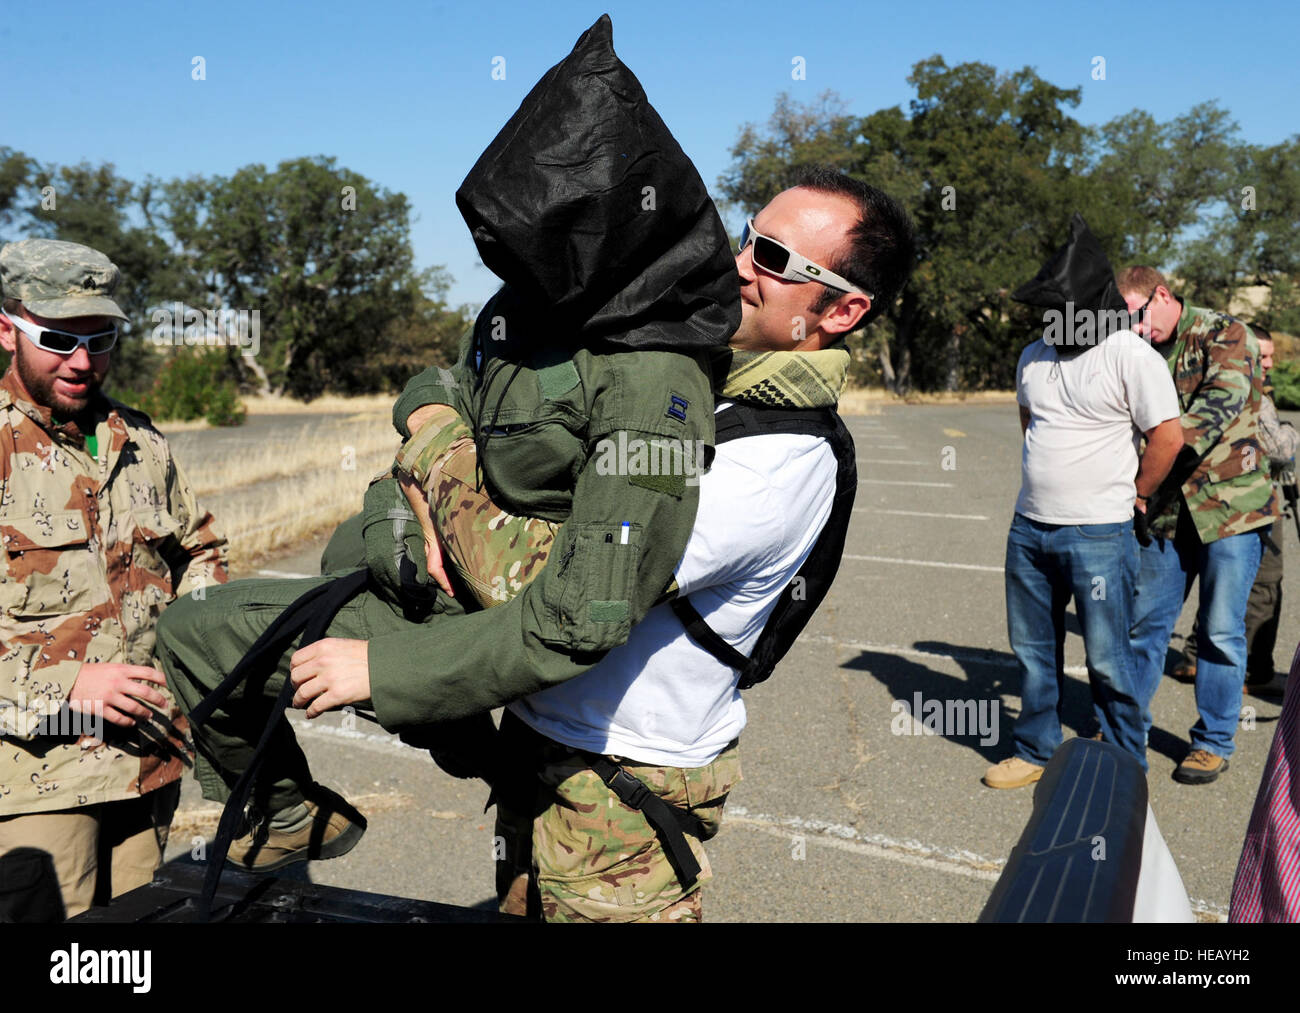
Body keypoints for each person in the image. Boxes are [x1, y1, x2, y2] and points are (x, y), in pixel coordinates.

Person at [158, 168, 915, 921]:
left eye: (776, 261)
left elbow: (543, 582)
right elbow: (483, 396)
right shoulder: (693, 373)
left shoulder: (773, 461)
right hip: (536, 745)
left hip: (621, 796)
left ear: (843, 310)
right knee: (220, 630)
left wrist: (429, 451)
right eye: (747, 238)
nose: (740, 264)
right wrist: (432, 409)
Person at [0, 238, 227, 920]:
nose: (82, 361)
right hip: (38, 783)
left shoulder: (142, 441)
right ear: (6, 329)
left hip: (146, 769)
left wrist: (198, 645)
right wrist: (70, 682)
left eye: (101, 338)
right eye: (59, 338)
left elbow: (202, 548)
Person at [982, 217, 1183, 790]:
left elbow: (1168, 436)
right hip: (1030, 529)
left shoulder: (1132, 355)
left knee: (1109, 659)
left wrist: (1138, 494)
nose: (1054, 320)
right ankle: (1035, 749)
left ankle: (1124, 763)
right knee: (1033, 651)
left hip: (1099, 532)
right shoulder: (1032, 356)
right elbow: (1031, 425)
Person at [1119, 267, 1278, 784]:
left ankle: (1212, 741)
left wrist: (1144, 461)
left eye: (1140, 317)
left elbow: (1212, 415)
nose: (1138, 332)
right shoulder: (1136, 344)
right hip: (1168, 513)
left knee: (1220, 631)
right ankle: (1126, 731)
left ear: (1162, 295)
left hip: (1230, 510)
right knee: (1145, 627)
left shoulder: (1228, 334)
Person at [1172, 328, 1296, 693]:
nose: (1269, 363)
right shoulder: (1251, 390)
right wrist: (1289, 431)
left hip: (1207, 499)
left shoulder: (1207, 380)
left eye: (1272, 356)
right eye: (1264, 355)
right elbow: (1281, 451)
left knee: (1217, 580)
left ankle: (1196, 655)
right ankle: (1252, 671)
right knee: (1263, 583)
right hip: (1249, 502)